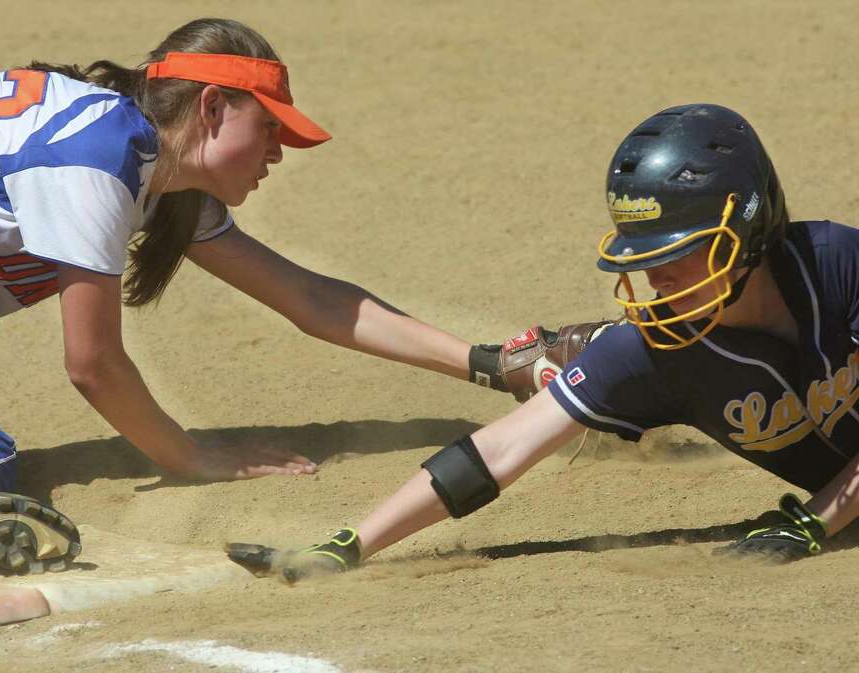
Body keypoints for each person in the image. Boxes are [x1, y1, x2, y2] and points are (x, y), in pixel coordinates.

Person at [0, 18, 593, 574]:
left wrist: (485, 361)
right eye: (270, 131)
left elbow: (313, 298)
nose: (278, 155)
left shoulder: (146, 173)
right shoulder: (102, 149)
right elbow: (92, 365)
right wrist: (191, 454)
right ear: (212, 109)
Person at [228, 103, 859, 581]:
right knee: (600, 359)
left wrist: (818, 519)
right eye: (642, 258)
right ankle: (572, 350)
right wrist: (349, 544)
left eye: (678, 254)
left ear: (745, 228)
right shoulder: (656, 347)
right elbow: (499, 451)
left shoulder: (839, 268)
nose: (654, 279)